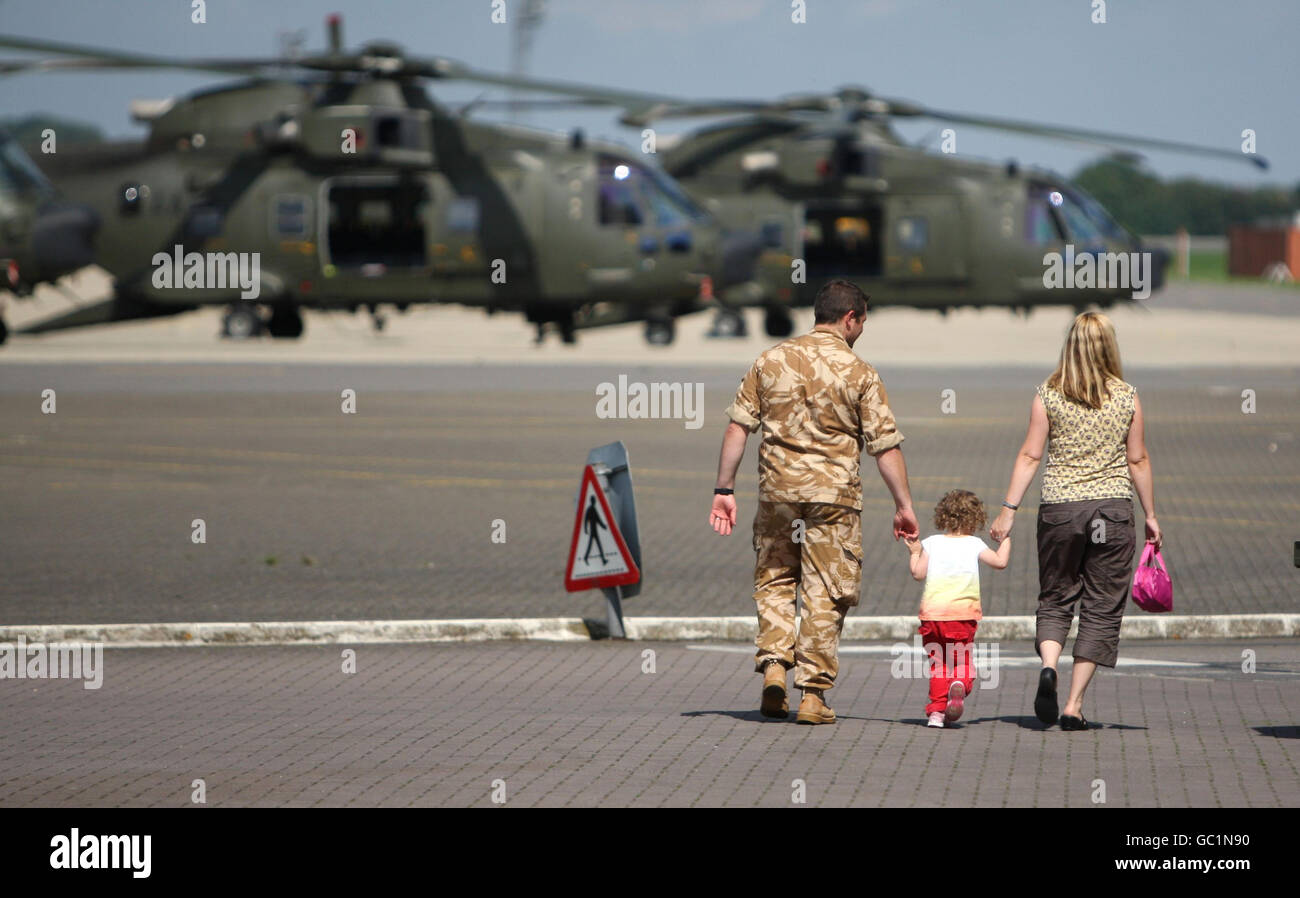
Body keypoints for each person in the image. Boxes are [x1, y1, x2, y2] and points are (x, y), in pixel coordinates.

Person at [709, 279, 919, 725]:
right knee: (826, 591)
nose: (862, 329)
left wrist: (724, 490)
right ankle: (812, 695)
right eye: (862, 321)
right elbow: (885, 448)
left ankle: (772, 671)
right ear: (849, 318)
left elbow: (737, 429)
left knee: (775, 581)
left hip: (777, 495)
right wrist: (904, 505)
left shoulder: (770, 360)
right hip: (834, 499)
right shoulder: (861, 373)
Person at [990, 311, 1162, 731]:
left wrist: (1008, 510)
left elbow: (1030, 455)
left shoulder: (1048, 394)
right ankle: (1072, 705)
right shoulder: (1127, 397)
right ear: (1109, 347)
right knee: (1102, 608)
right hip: (1112, 512)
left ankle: (1049, 666)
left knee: (1055, 597)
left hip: (1060, 512)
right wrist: (1151, 515)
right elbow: (1137, 458)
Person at [904, 490, 1010, 728]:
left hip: (931, 617)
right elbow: (1000, 562)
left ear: (943, 517)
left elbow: (917, 573)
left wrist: (913, 553)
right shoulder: (974, 544)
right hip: (962, 617)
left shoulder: (931, 543)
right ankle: (960, 684)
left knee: (938, 664)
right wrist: (1005, 540)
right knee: (961, 661)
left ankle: (936, 714)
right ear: (975, 519)